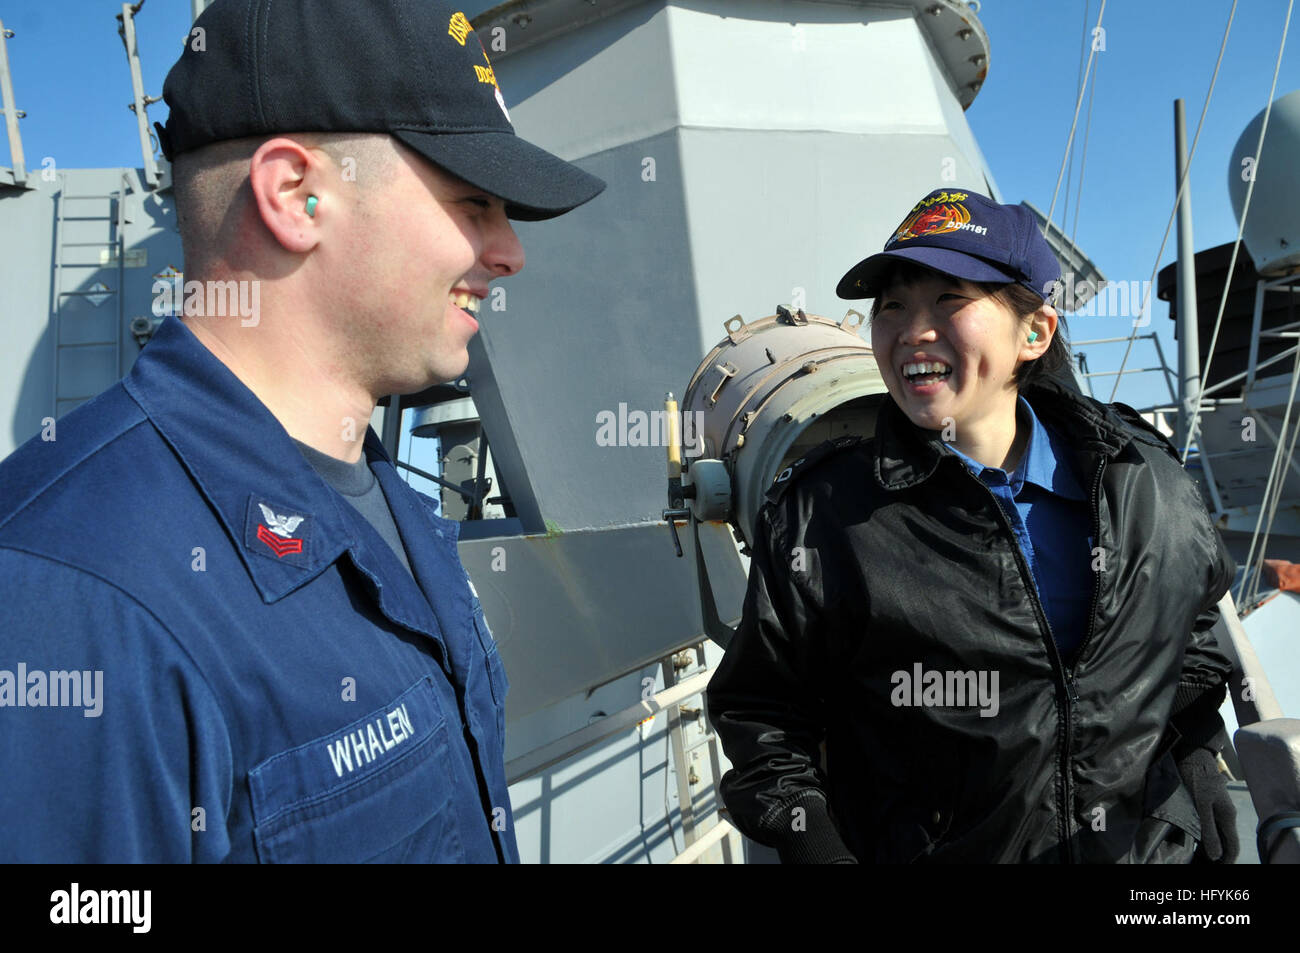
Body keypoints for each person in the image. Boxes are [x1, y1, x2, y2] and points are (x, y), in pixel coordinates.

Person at [0, 0, 604, 862]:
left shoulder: (391, 503)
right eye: (474, 202)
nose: (509, 251)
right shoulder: (71, 601)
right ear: (297, 195)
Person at [705, 188, 1239, 863]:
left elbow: (1188, 627)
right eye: (892, 306)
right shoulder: (829, 515)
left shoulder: (1143, 477)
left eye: (949, 300)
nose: (911, 330)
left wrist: (1195, 747)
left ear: (1035, 333)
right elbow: (762, 714)